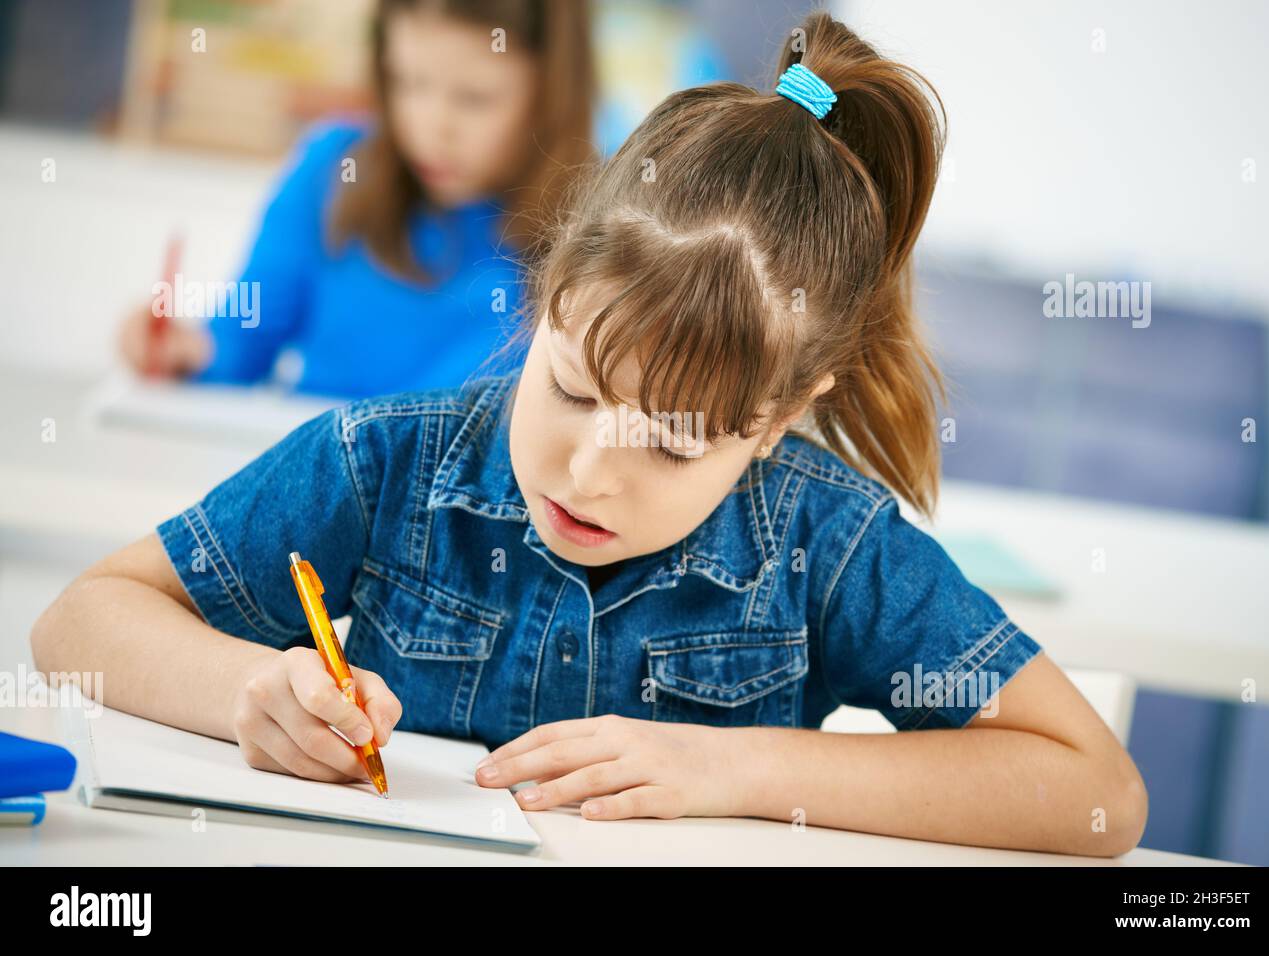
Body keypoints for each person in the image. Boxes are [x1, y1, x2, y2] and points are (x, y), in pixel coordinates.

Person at [38, 12, 1146, 855]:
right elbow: (77, 623)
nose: (587, 470)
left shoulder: (823, 540)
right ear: (545, 297)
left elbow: (1095, 790)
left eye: (672, 444)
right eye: (568, 388)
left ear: (776, 422)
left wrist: (740, 766)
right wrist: (248, 692)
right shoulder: (384, 462)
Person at [118, 0, 594, 398]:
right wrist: (183, 353)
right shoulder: (332, 170)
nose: (432, 125)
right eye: (408, 82)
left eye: (474, 97)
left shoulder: (599, 221)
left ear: (552, 91)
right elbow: (238, 345)